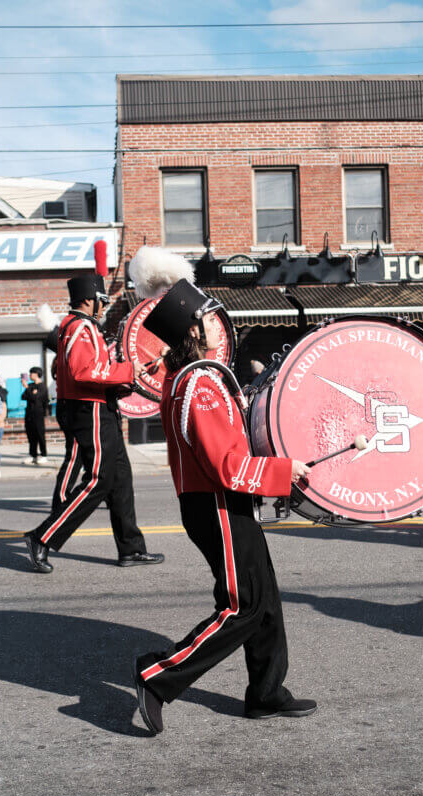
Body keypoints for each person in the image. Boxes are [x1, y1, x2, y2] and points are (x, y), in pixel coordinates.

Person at [132, 273, 316, 735]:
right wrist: (282, 470)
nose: (218, 324)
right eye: (209, 319)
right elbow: (228, 466)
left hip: (215, 504)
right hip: (219, 505)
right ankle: (158, 677)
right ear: (192, 331)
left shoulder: (187, 379)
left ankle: (267, 693)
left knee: (265, 599)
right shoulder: (203, 384)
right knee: (243, 607)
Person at [22, 267, 162, 573]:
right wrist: (126, 372)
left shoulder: (81, 327)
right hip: (91, 410)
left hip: (101, 407)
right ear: (89, 300)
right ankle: (42, 538)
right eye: (101, 299)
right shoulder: (79, 327)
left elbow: (98, 373)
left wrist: (133, 374)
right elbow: (83, 372)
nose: (104, 305)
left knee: (121, 479)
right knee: (99, 479)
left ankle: (131, 549)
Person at [23, 366, 50, 464]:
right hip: (29, 413)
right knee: (31, 435)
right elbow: (24, 396)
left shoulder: (42, 386)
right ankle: (33, 455)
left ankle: (44, 454)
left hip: (38, 413)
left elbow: (36, 398)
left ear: (37, 374)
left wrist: (28, 390)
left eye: (31, 373)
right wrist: (30, 391)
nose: (30, 375)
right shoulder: (31, 385)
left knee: (39, 434)